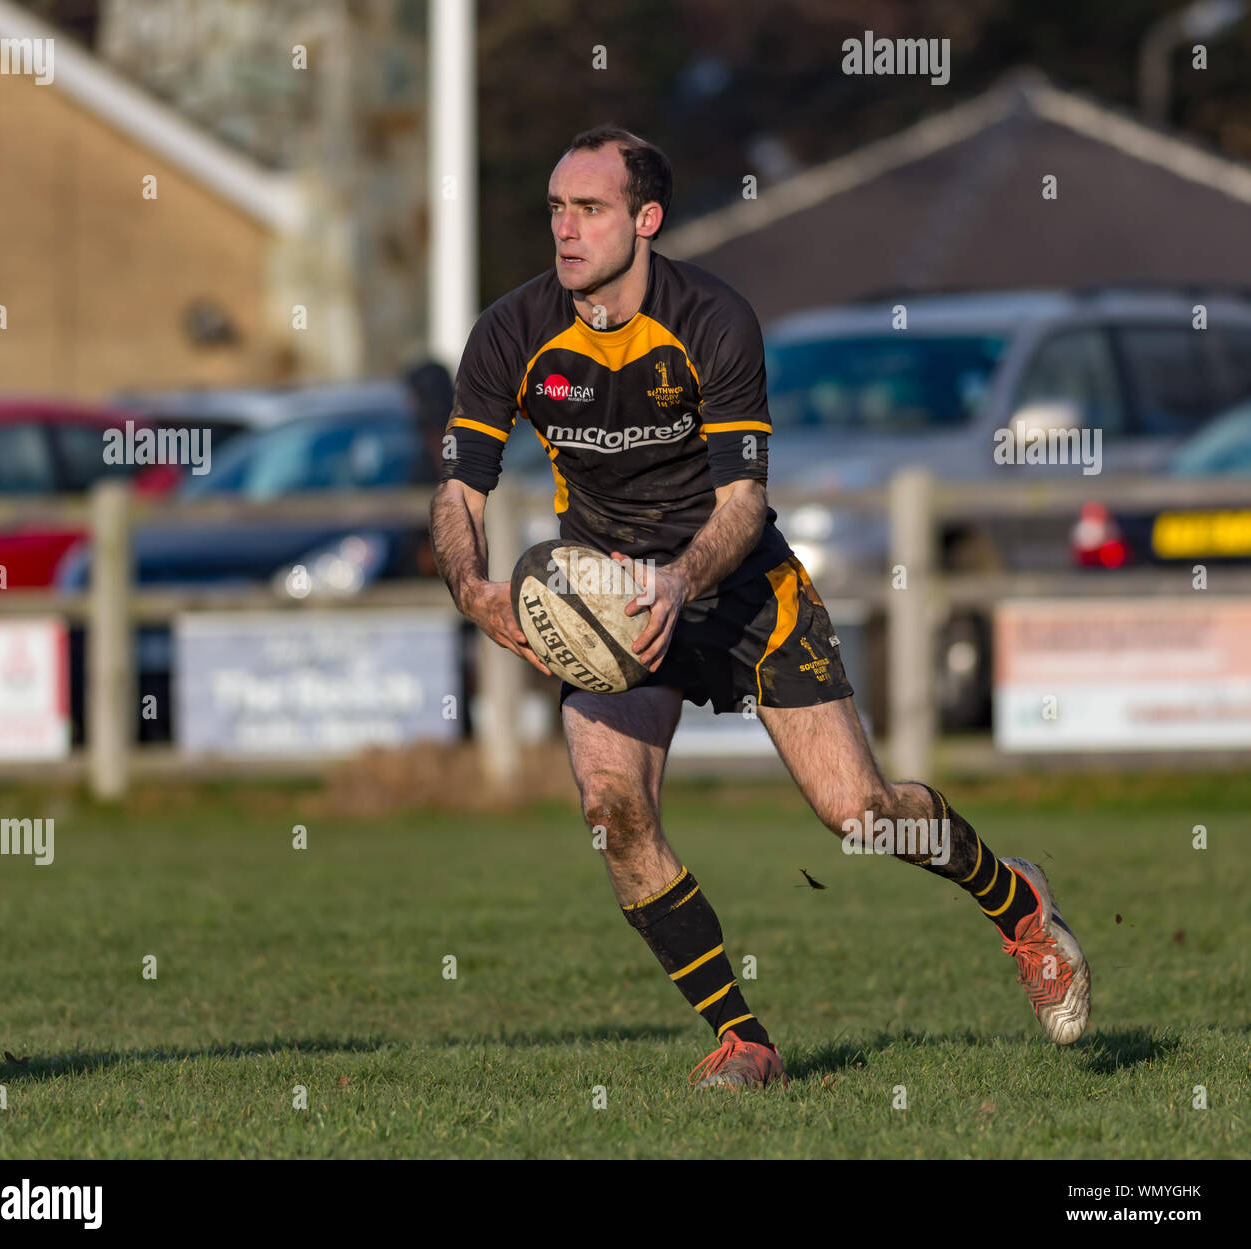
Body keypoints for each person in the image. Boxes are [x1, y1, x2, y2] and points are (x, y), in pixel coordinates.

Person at [429, 125, 1090, 1089]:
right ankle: (745, 1040)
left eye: (591, 209)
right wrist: (476, 590)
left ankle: (1018, 902)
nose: (566, 231)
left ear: (645, 219)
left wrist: (681, 582)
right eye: (557, 210)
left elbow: (742, 503)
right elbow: (459, 491)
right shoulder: (512, 330)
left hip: (737, 591)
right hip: (612, 606)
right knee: (614, 811)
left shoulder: (714, 320)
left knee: (861, 816)